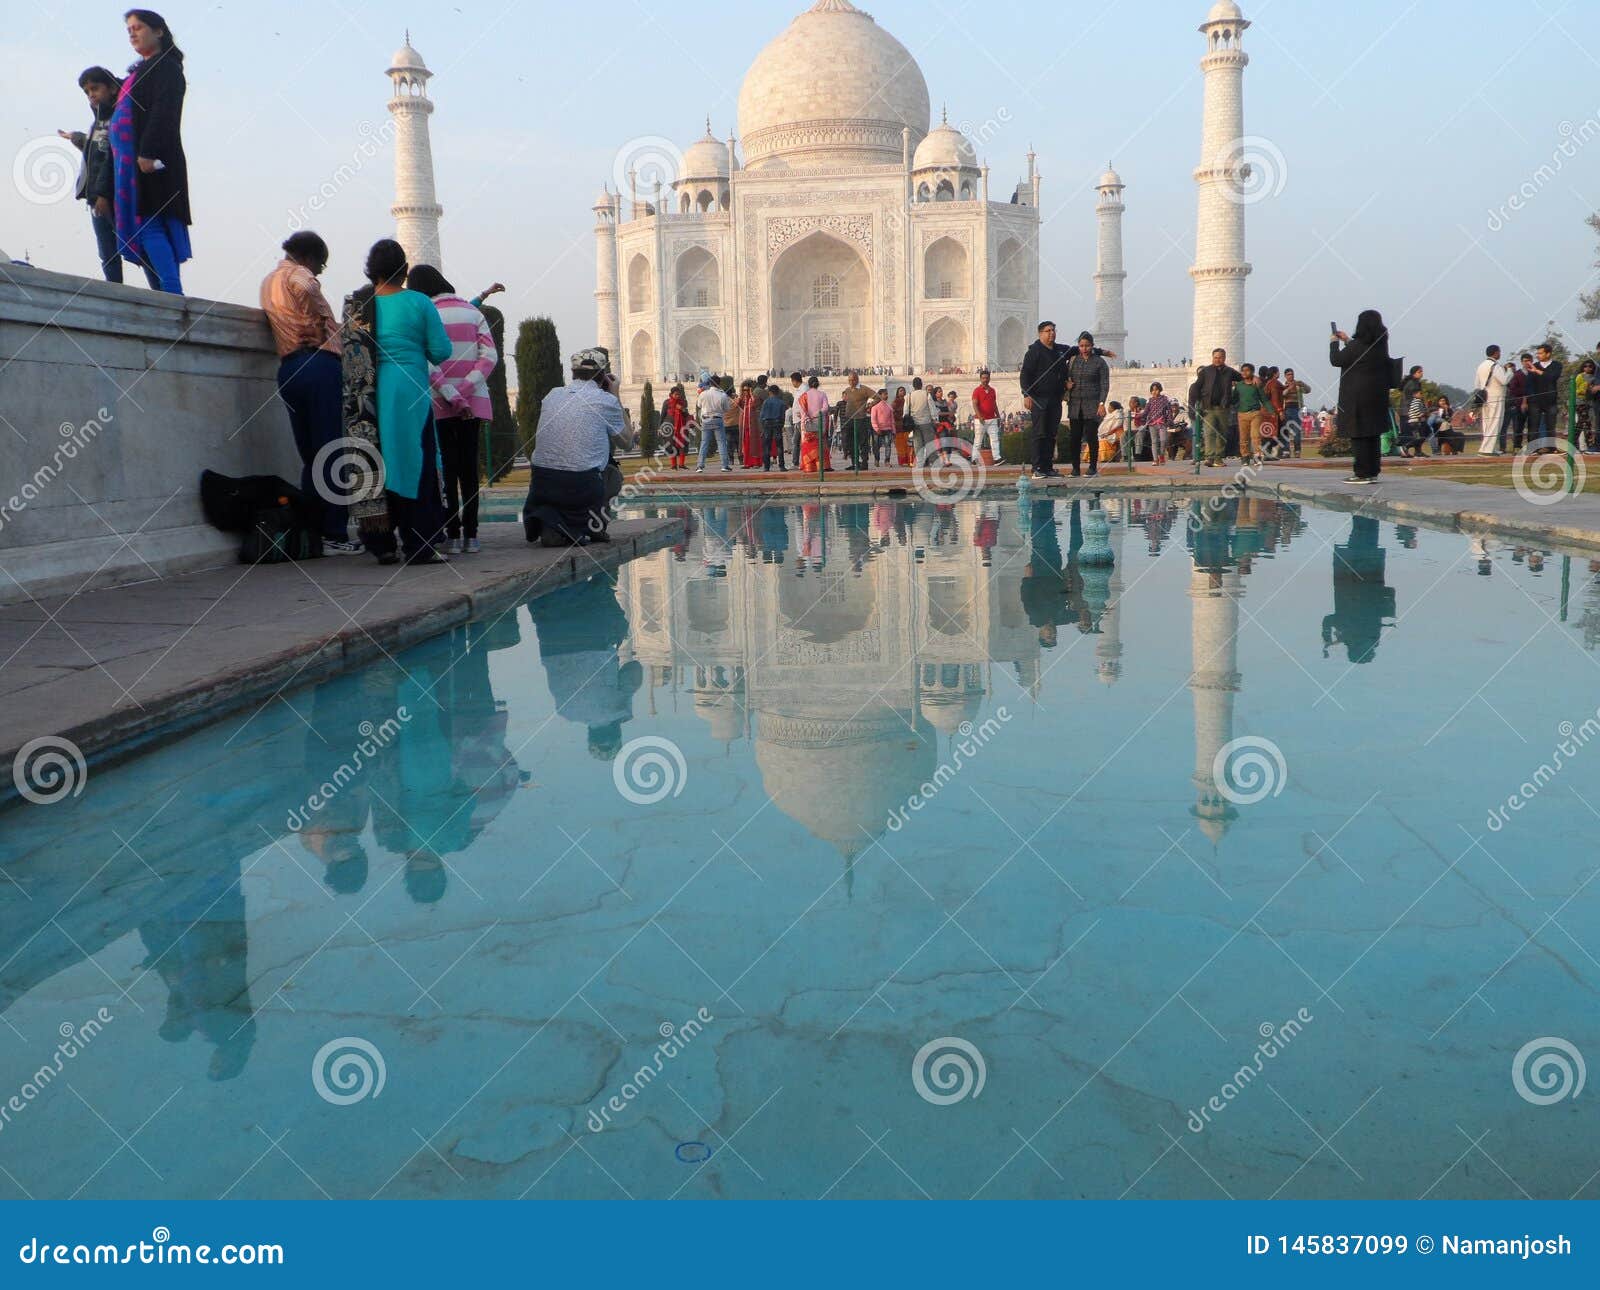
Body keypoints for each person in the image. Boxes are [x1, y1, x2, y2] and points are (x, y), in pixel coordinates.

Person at [344, 239, 452, 562]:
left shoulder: (358, 305)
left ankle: (381, 545)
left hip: (367, 396)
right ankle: (419, 544)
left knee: (376, 463)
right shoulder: (419, 302)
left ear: (370, 270)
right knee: (414, 464)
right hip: (409, 391)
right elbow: (441, 351)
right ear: (404, 270)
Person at [259, 231, 361, 552]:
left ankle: (315, 531)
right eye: (321, 265)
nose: (319, 273)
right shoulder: (299, 275)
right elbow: (306, 286)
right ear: (309, 258)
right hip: (318, 366)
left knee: (311, 456)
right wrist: (322, 323)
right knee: (331, 453)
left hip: (288, 369)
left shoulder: (268, 281)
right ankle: (335, 533)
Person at [403, 265, 497, 555]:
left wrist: (451, 394)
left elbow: (426, 363)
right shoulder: (473, 313)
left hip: (440, 400)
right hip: (473, 400)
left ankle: (452, 535)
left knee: (449, 468)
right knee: (469, 469)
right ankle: (472, 536)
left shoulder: (425, 314)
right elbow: (489, 356)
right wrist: (466, 390)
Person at [111, 10, 191, 294]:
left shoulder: (166, 67)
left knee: (152, 223)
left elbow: (164, 111)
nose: (132, 33)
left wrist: (147, 152)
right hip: (135, 163)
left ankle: (171, 291)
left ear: (159, 31)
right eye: (129, 29)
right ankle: (165, 290)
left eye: (139, 27)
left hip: (154, 159)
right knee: (148, 225)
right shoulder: (138, 71)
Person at [524, 347, 634, 546]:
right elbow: (627, 443)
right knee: (613, 474)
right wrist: (616, 395)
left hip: (541, 484)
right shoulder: (605, 400)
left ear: (573, 373)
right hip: (580, 487)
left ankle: (554, 525)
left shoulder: (552, 395)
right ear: (603, 376)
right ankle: (595, 524)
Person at [60, 67, 141, 285]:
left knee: (134, 246)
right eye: (87, 92)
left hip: (113, 196)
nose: (91, 95)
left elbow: (111, 158)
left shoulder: (118, 118)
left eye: (95, 88)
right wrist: (76, 138)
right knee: (107, 252)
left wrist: (104, 194)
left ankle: (160, 291)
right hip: (95, 198)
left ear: (112, 88)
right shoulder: (97, 123)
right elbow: (95, 149)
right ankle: (115, 292)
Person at [1330, 310, 1395, 484]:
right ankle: (1372, 471)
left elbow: (1336, 360)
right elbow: (1360, 352)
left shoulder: (1357, 346)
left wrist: (1334, 343)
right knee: (1373, 434)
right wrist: (1347, 340)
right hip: (1377, 396)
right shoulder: (1380, 344)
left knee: (1358, 434)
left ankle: (1361, 473)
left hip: (1357, 398)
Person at [1020, 321, 1072, 478]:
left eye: (1054, 330)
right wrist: (1026, 394)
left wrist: (1101, 351)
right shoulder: (1034, 352)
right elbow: (1025, 375)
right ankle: (1037, 468)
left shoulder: (1058, 350)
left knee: (1051, 434)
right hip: (1039, 398)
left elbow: (1078, 349)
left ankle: (1048, 467)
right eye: (1048, 330)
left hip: (1055, 398)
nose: (1052, 333)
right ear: (1040, 333)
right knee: (1039, 433)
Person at [1064, 331, 1110, 477]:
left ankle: (1092, 468)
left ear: (1092, 346)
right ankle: (1075, 468)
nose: (1084, 349)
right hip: (1075, 405)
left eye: (1087, 346)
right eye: (1081, 346)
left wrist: (1102, 403)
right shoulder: (1073, 361)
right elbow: (1064, 377)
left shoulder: (1099, 363)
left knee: (1091, 436)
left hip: (1092, 404)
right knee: (1075, 438)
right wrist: (1067, 384)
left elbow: (1104, 384)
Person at [1192, 348, 1242, 468]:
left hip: (1223, 408)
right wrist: (1195, 403)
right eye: (1215, 357)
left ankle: (1218, 458)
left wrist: (1254, 378)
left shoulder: (1230, 372)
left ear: (1224, 358)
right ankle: (1209, 457)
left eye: (1220, 357)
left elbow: (1243, 378)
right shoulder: (1205, 371)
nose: (1217, 359)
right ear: (1212, 358)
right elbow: (1196, 387)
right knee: (1209, 433)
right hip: (1208, 407)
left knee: (1222, 434)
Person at [1475, 345, 1511, 455]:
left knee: (1487, 423)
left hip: (1484, 397)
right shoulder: (1496, 366)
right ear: (1496, 353)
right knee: (1495, 423)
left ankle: (1490, 448)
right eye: (1499, 352)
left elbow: (1477, 384)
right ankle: (1486, 449)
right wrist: (1509, 371)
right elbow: (1504, 381)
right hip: (1496, 397)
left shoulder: (1481, 366)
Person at [694, 372, 733, 473]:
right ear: (719, 383)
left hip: (706, 419)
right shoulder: (722, 395)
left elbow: (699, 405)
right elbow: (726, 409)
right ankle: (724, 465)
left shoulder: (703, 394)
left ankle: (700, 466)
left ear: (710, 383)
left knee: (704, 443)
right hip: (717, 419)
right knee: (721, 443)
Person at [1528, 343, 1564, 449]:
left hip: (1550, 400)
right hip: (1536, 401)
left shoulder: (1556, 365)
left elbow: (1552, 377)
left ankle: (1551, 448)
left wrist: (1537, 371)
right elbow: (1529, 384)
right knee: (1534, 426)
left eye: (1540, 353)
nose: (1538, 355)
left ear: (1548, 354)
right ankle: (1533, 449)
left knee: (1550, 426)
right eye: (1537, 353)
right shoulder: (1534, 365)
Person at [839, 372, 877, 471]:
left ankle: (864, 463)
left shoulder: (864, 389)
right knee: (850, 442)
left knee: (863, 442)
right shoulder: (847, 390)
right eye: (849, 380)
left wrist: (869, 405)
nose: (851, 382)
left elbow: (877, 397)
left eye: (853, 380)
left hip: (860, 419)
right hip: (849, 419)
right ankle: (855, 463)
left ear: (857, 379)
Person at [796, 375, 831, 472]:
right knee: (820, 443)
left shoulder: (804, 396)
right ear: (818, 384)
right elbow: (825, 408)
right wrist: (817, 414)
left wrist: (809, 417)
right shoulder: (822, 394)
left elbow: (802, 412)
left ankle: (809, 467)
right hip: (820, 422)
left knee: (808, 444)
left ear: (809, 385)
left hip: (807, 423)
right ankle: (822, 466)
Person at [1234, 363, 1267, 462]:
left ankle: (1258, 455)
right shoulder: (1239, 385)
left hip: (1255, 413)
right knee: (1243, 437)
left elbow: (1263, 398)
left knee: (1255, 436)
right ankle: (1245, 456)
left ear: (1252, 372)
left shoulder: (1256, 384)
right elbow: (1234, 398)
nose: (1244, 372)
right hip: (1242, 414)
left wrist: (1271, 411)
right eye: (1242, 370)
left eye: (1247, 370)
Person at [971, 369, 1004, 463]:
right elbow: (975, 404)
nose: (985, 380)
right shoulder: (977, 391)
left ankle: (997, 458)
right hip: (980, 420)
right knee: (978, 440)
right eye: (983, 378)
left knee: (994, 439)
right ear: (980, 379)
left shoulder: (992, 390)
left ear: (989, 378)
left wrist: (998, 416)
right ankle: (974, 458)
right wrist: (979, 416)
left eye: (987, 378)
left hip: (992, 418)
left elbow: (994, 404)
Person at [1140, 382, 1176, 463]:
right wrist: (1141, 418)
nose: (1154, 392)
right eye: (1152, 390)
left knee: (1164, 440)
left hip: (1162, 423)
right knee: (1154, 441)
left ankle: (1162, 454)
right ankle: (1155, 459)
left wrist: (1169, 422)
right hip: (1152, 423)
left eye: (1156, 390)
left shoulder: (1165, 400)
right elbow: (1146, 412)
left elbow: (1169, 411)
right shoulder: (1150, 401)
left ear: (1160, 390)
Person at [1506, 353, 1534, 455]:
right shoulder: (1517, 374)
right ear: (1522, 362)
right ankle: (1517, 446)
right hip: (1519, 404)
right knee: (1518, 427)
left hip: (1533, 403)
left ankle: (1532, 447)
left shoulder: (1534, 373)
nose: (1527, 363)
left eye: (1529, 361)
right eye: (1525, 361)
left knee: (1532, 426)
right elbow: (1513, 389)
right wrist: (1524, 394)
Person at [904, 376, 935, 463]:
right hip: (926, 422)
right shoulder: (926, 394)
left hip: (914, 423)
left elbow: (905, 411)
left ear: (913, 386)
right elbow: (932, 408)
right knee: (929, 442)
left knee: (918, 443)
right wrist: (935, 419)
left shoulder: (908, 396)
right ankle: (932, 460)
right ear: (921, 385)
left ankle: (920, 461)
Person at [1281, 368, 1311, 457]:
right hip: (1286, 409)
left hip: (1297, 410)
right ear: (1285, 376)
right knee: (1285, 431)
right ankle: (1286, 451)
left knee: (1296, 431)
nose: (1291, 376)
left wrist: (1302, 383)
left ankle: (1297, 451)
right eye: (1289, 374)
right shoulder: (1283, 385)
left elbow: (1308, 390)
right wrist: (1290, 387)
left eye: (1292, 374)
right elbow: (1283, 394)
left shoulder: (1298, 386)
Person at [759, 382, 787, 470]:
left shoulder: (766, 402)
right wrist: (782, 425)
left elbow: (761, 416)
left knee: (767, 445)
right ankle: (781, 466)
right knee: (779, 445)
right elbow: (783, 416)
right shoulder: (781, 402)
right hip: (777, 423)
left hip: (767, 423)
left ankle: (766, 466)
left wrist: (762, 427)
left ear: (770, 392)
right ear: (778, 392)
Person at [663, 383, 690, 469]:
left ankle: (681, 464)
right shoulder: (667, 402)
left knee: (682, 444)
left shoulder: (683, 402)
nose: (677, 396)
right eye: (676, 394)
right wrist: (659, 426)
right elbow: (663, 414)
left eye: (679, 394)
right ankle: (673, 465)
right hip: (670, 427)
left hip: (681, 426)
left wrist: (681, 409)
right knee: (671, 445)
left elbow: (686, 414)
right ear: (671, 394)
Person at [870, 388, 896, 465]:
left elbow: (892, 420)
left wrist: (893, 430)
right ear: (880, 395)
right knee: (876, 446)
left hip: (888, 429)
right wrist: (876, 428)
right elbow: (873, 419)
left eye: (887, 394)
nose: (886, 395)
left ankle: (887, 461)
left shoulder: (889, 407)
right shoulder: (875, 407)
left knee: (888, 446)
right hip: (878, 430)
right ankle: (877, 460)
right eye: (885, 394)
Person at [893, 386, 914, 466]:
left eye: (903, 390)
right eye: (901, 391)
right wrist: (899, 417)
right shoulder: (896, 401)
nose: (902, 392)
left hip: (907, 425)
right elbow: (893, 412)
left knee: (908, 443)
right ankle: (902, 461)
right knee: (900, 445)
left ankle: (910, 460)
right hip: (899, 426)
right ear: (898, 393)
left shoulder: (907, 401)